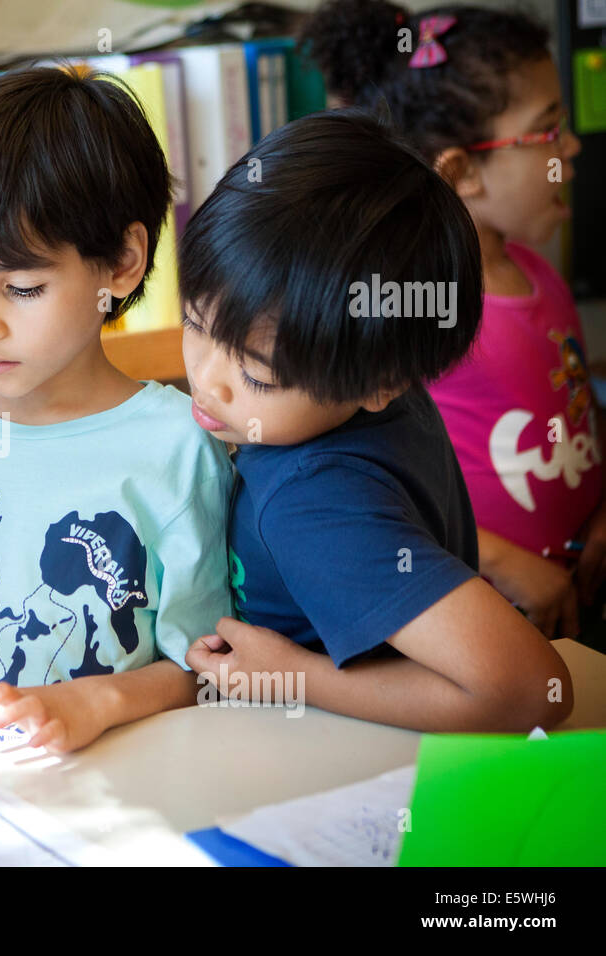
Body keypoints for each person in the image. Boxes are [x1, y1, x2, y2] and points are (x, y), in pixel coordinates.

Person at [0, 65, 234, 752]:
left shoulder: (176, 446)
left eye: (21, 287)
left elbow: (206, 670)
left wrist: (93, 701)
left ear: (120, 262)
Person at [179, 110, 573, 731]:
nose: (207, 378)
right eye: (196, 324)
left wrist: (292, 675)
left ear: (375, 382)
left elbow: (534, 690)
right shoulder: (371, 388)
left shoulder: (312, 503)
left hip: (327, 757)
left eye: (257, 374)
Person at [303, 0, 601, 648]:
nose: (571, 147)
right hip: (493, 620)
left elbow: (575, 406)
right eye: (548, 131)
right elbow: (376, 484)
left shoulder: (538, 272)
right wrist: (510, 565)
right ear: (461, 170)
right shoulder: (413, 310)